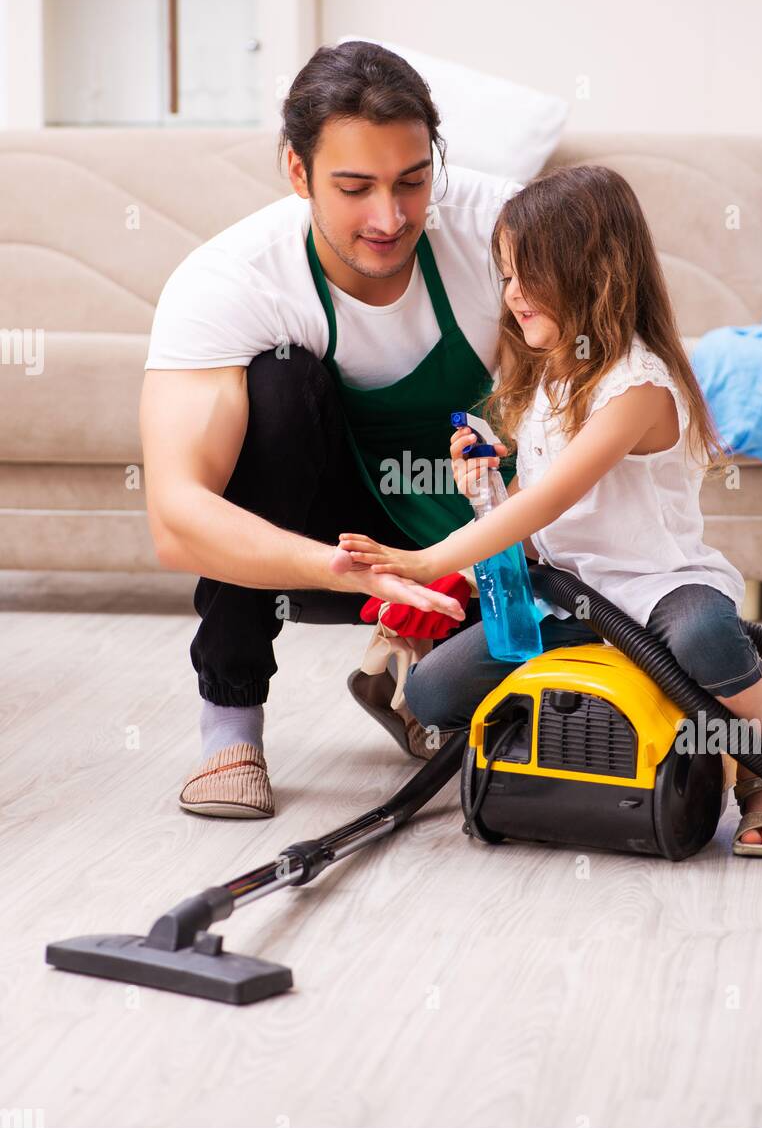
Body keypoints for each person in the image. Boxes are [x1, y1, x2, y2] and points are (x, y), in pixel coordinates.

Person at [335, 165, 762, 858]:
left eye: (530, 274)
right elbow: (533, 513)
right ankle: (553, 734)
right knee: (433, 696)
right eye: (505, 275)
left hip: (658, 592)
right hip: (570, 601)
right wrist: (483, 493)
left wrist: (425, 558)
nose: (513, 294)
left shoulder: (638, 386)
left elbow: (555, 496)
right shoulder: (545, 374)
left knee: (707, 636)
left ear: (595, 273)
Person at [140, 40, 522, 818]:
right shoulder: (233, 280)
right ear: (296, 172)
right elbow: (179, 520)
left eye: (413, 182)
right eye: (354, 188)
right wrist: (346, 570)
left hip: (479, 525)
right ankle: (230, 731)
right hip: (327, 547)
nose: (390, 218)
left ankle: (408, 670)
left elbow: (607, 389)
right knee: (280, 377)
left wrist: (480, 532)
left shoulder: (503, 231)